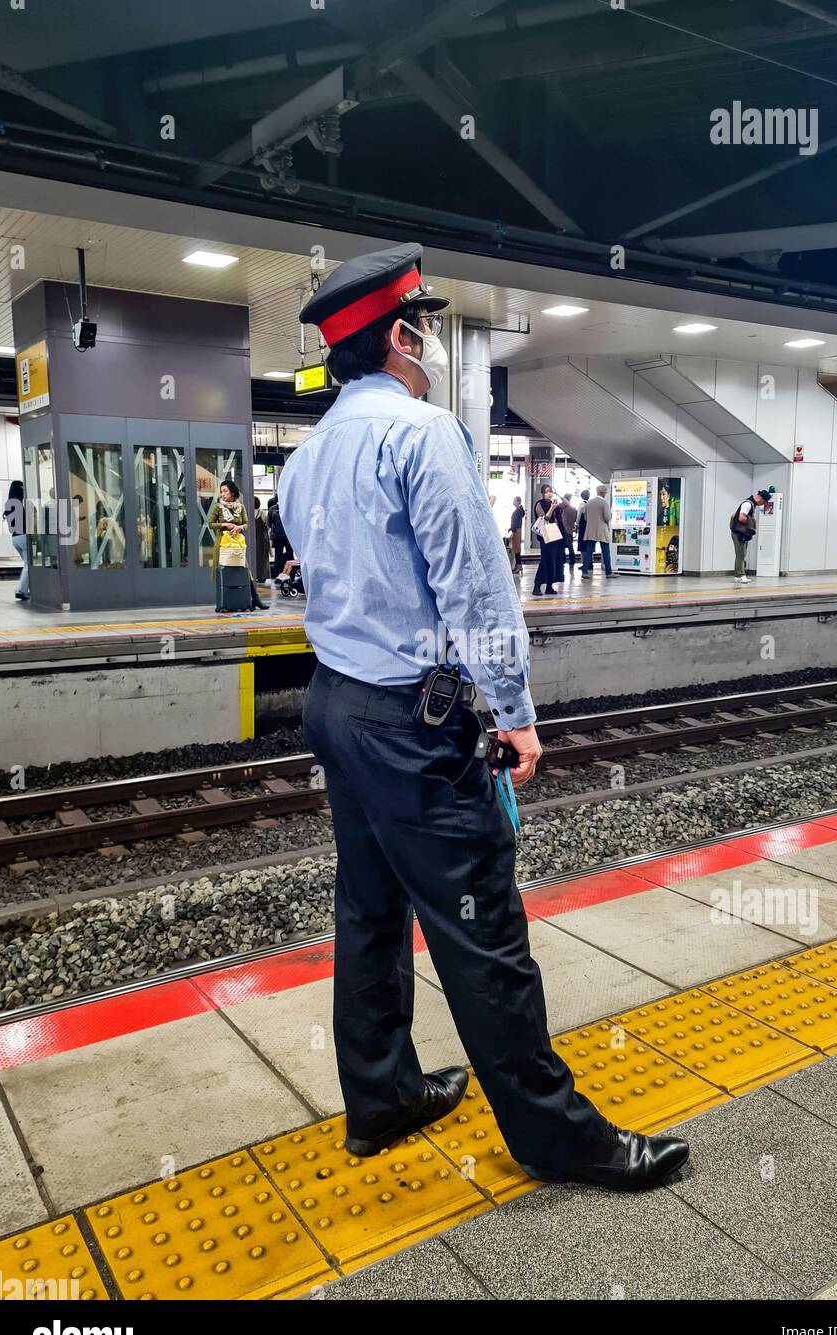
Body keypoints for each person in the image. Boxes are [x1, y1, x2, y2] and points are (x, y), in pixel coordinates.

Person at [279, 241, 687, 1190]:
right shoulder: (421, 436)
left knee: (368, 909)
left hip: (335, 707)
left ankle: (378, 1096)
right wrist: (514, 711)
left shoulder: (306, 460)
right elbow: (474, 590)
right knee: (480, 926)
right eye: (420, 325)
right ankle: (554, 1136)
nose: (427, 341)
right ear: (396, 337)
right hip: (412, 725)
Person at [208, 478, 249, 612]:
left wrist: (239, 527)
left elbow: (246, 524)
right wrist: (224, 524)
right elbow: (210, 524)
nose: (222, 494)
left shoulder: (240, 507)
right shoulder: (217, 507)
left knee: (242, 570)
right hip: (223, 544)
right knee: (223, 571)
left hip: (237, 544)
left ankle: (246, 600)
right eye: (221, 491)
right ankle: (223, 603)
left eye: (225, 491)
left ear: (232, 493)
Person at [730, 485, 775, 584]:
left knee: (741, 554)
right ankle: (740, 575)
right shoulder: (748, 504)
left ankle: (738, 576)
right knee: (741, 554)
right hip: (738, 533)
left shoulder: (751, 503)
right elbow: (741, 517)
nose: (762, 504)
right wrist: (750, 523)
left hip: (739, 532)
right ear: (760, 498)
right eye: (763, 502)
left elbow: (735, 516)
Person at [532, 483, 564, 598]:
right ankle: (537, 584)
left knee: (554, 560)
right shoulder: (539, 504)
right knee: (545, 560)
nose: (549, 494)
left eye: (551, 491)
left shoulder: (555, 503)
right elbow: (544, 519)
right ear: (542, 493)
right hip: (545, 536)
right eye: (547, 492)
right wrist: (551, 508)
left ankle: (550, 586)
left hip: (555, 536)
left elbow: (567, 505)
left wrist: (558, 494)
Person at [581, 483, 615, 577]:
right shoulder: (604, 503)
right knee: (605, 551)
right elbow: (607, 517)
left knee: (589, 551)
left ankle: (584, 571)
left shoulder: (589, 503)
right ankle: (608, 572)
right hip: (602, 530)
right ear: (604, 493)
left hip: (590, 530)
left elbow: (585, 517)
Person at [3, 480, 29, 601]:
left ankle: (25, 588)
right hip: (23, 536)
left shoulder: (8, 504)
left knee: (27, 565)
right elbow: (25, 523)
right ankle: (21, 590)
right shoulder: (18, 504)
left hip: (15, 538)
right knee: (29, 565)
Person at [248, 497, 270, 610]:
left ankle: (255, 576)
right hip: (262, 539)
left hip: (253, 539)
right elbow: (268, 526)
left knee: (254, 558)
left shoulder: (248, 512)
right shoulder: (263, 513)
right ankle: (262, 576)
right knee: (262, 558)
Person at [268, 493, 293, 578]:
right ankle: (290, 572)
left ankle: (277, 572)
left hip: (277, 536)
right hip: (288, 535)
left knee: (278, 554)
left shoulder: (272, 509)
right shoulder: (290, 508)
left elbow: (269, 523)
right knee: (290, 553)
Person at [559, 492, 578, 570]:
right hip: (570, 530)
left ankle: (562, 561)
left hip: (562, 530)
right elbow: (576, 520)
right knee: (570, 547)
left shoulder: (562, 508)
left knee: (562, 547)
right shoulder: (574, 509)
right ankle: (572, 561)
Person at [509, 494, 524, 572]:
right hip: (516, 530)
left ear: (518, 501)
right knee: (516, 549)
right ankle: (517, 566)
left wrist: (512, 530)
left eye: (514, 500)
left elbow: (515, 522)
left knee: (517, 549)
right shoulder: (518, 510)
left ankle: (519, 566)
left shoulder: (518, 511)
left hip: (516, 531)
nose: (513, 501)